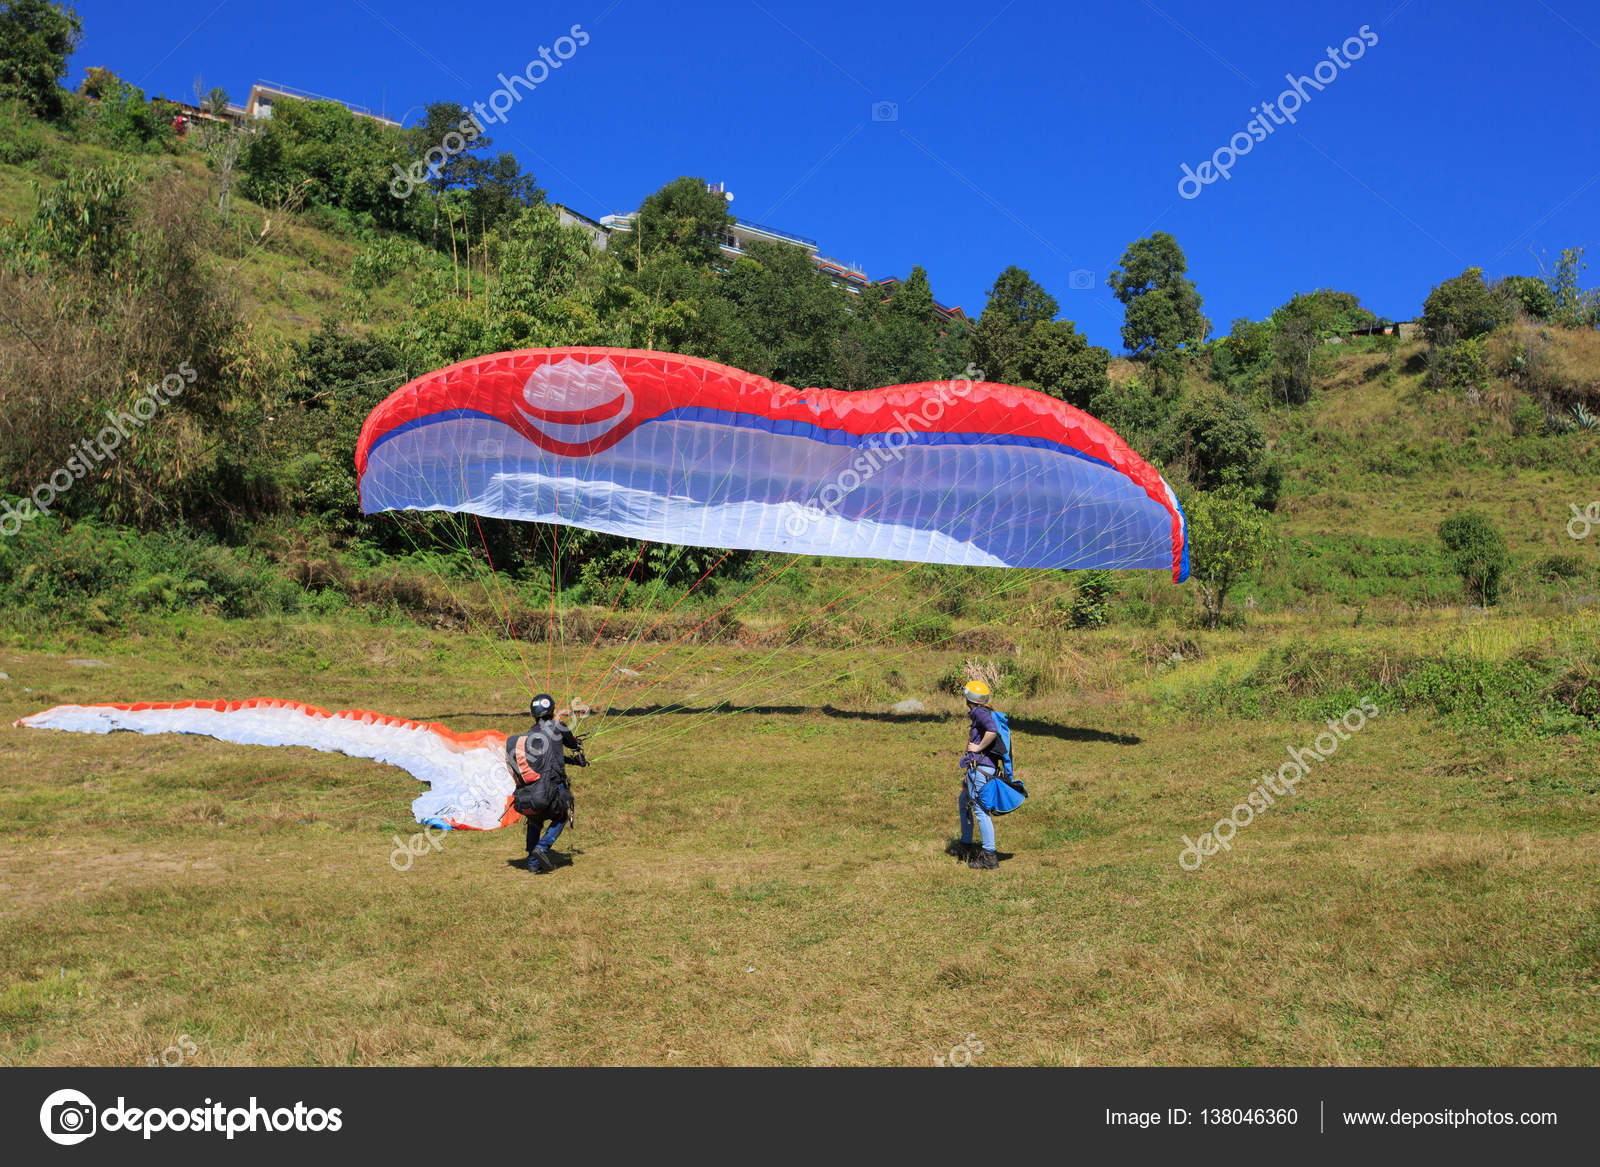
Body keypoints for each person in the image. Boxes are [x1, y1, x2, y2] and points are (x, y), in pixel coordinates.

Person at [507, 693, 587, 873]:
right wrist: (578, 748)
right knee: (561, 816)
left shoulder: (530, 734)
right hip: (552, 785)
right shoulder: (559, 727)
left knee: (535, 820)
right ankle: (542, 848)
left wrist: (573, 762)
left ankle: (533, 863)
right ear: (551, 710)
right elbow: (573, 745)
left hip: (534, 788)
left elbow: (551, 757)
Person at [956, 680, 1004, 870]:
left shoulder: (979, 712)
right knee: (964, 802)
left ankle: (989, 856)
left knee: (980, 810)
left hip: (981, 769)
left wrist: (978, 747)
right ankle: (966, 845)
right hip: (978, 769)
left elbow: (992, 730)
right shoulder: (982, 712)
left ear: (970, 698)